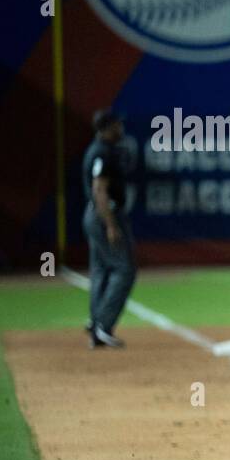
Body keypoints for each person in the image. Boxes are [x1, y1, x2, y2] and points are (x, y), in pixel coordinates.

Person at [82, 109, 136, 349]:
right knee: (124, 270)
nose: (120, 129)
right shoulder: (102, 153)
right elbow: (100, 190)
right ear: (106, 127)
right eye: (116, 125)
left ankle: (97, 324)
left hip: (95, 214)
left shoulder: (98, 150)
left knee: (101, 270)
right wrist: (111, 225)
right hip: (105, 214)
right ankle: (103, 325)